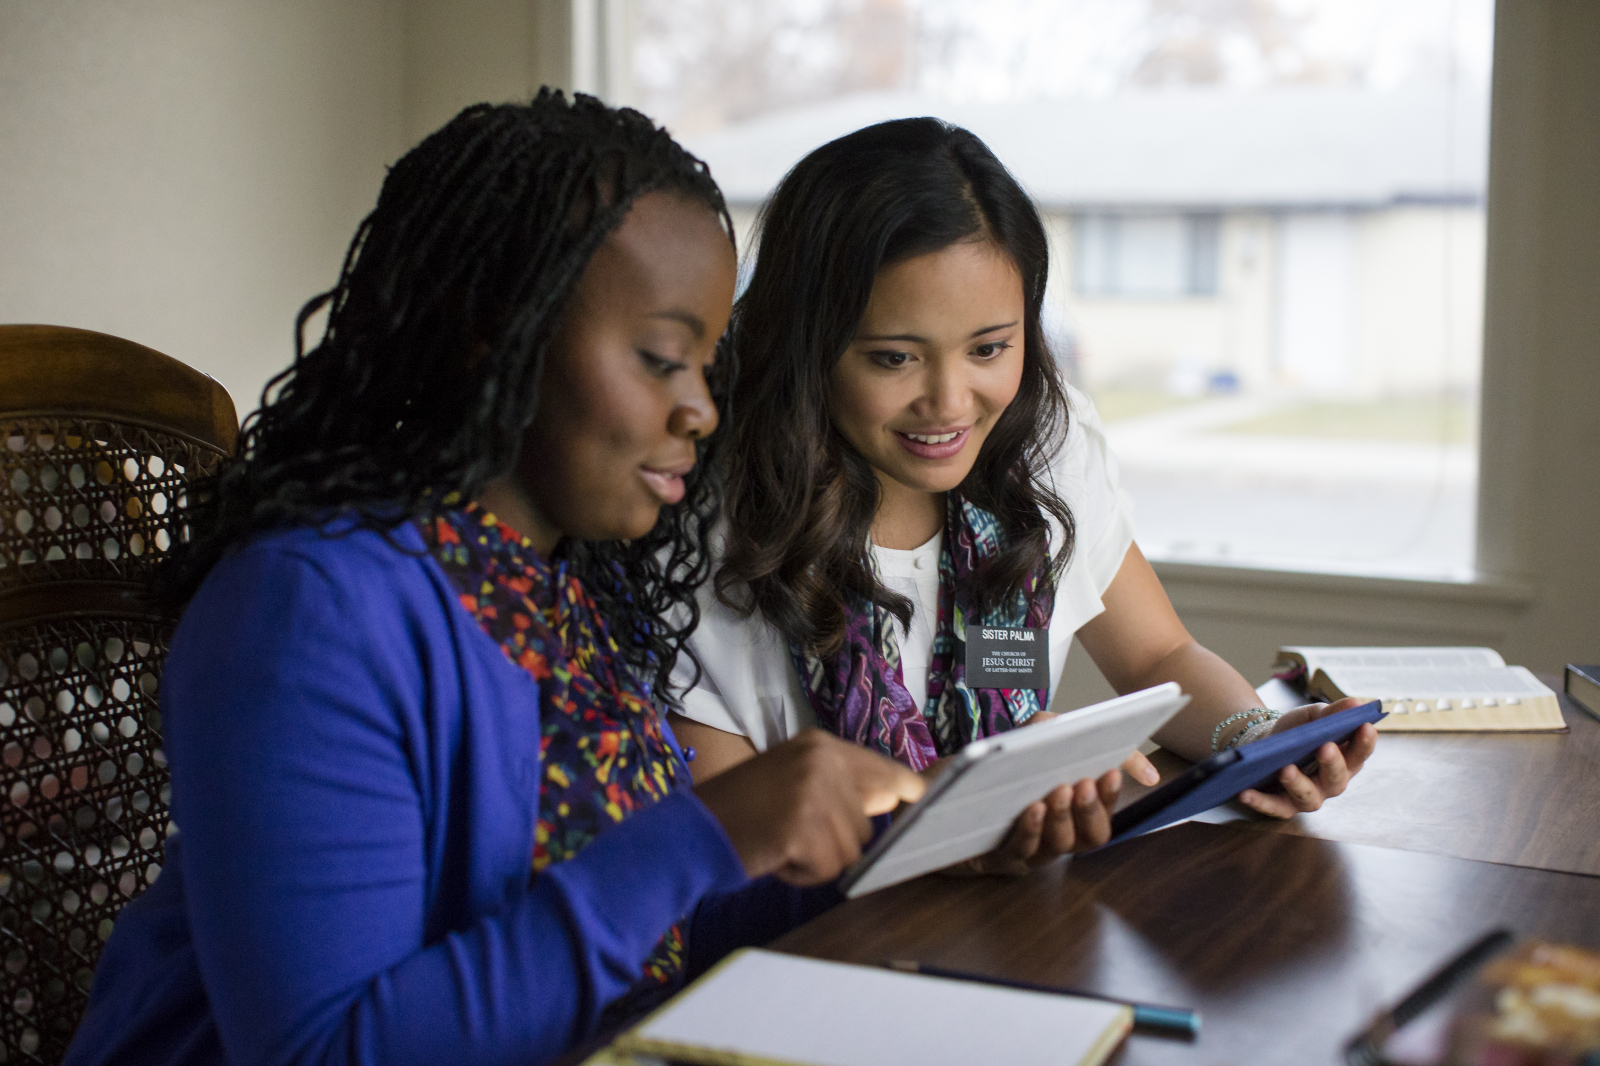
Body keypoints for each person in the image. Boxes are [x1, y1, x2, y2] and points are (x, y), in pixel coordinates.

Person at [64, 93, 924, 1066]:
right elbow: (328, 1051)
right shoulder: (304, 610)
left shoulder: (556, 585)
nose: (700, 410)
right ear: (495, 329)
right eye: (658, 358)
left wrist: (890, 853)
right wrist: (706, 832)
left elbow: (640, 942)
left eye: (706, 364)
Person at [668, 117, 1376, 872]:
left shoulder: (1044, 451)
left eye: (989, 349)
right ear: (806, 342)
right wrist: (954, 822)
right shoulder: (697, 530)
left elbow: (1159, 653)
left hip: (1025, 916)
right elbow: (727, 851)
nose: (949, 402)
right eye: (894, 358)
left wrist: (1255, 739)